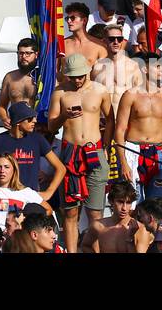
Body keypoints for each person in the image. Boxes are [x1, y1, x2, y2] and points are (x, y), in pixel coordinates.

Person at [48, 52, 113, 251]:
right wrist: (63, 117)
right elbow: (51, 126)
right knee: (70, 213)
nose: (76, 80)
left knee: (96, 215)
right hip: (70, 155)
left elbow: (110, 119)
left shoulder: (101, 91)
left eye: (80, 76)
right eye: (73, 76)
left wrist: (106, 145)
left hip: (94, 152)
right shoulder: (60, 92)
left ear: (87, 72)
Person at [114, 60, 162, 201]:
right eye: (156, 67)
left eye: (161, 67)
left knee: (156, 204)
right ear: (145, 69)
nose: (160, 70)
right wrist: (123, 162)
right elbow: (119, 130)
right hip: (133, 151)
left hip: (156, 151)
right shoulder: (130, 95)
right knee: (132, 201)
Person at [0, 101, 64, 199]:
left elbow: (61, 168)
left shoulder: (38, 140)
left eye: (34, 118)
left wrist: (49, 192)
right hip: (5, 197)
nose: (34, 121)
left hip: (30, 197)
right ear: (18, 122)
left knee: (47, 211)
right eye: (29, 119)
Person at [81, 180, 148, 253]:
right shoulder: (98, 226)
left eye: (128, 203)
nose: (124, 208)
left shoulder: (140, 229)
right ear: (111, 201)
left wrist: (130, 239)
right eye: (120, 202)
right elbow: (85, 246)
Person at [0, 38, 39, 127]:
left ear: (36, 54)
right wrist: (5, 119)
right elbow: (1, 106)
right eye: (21, 53)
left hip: (37, 127)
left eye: (28, 53)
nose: (24, 57)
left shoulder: (43, 78)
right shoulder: (9, 77)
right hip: (16, 126)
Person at [63, 1, 107, 68]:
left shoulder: (99, 46)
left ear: (84, 20)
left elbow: (104, 74)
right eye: (67, 18)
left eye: (72, 18)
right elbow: (54, 73)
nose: (69, 21)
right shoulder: (62, 45)